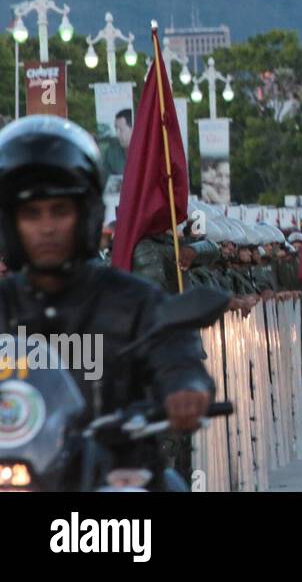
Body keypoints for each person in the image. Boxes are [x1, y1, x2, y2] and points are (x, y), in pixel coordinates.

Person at [0, 116, 213, 486]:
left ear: (86, 216)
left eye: (60, 211)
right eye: (31, 214)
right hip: (21, 470)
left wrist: (186, 387)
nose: (47, 227)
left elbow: (174, 352)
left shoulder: (133, 300)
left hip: (116, 471)